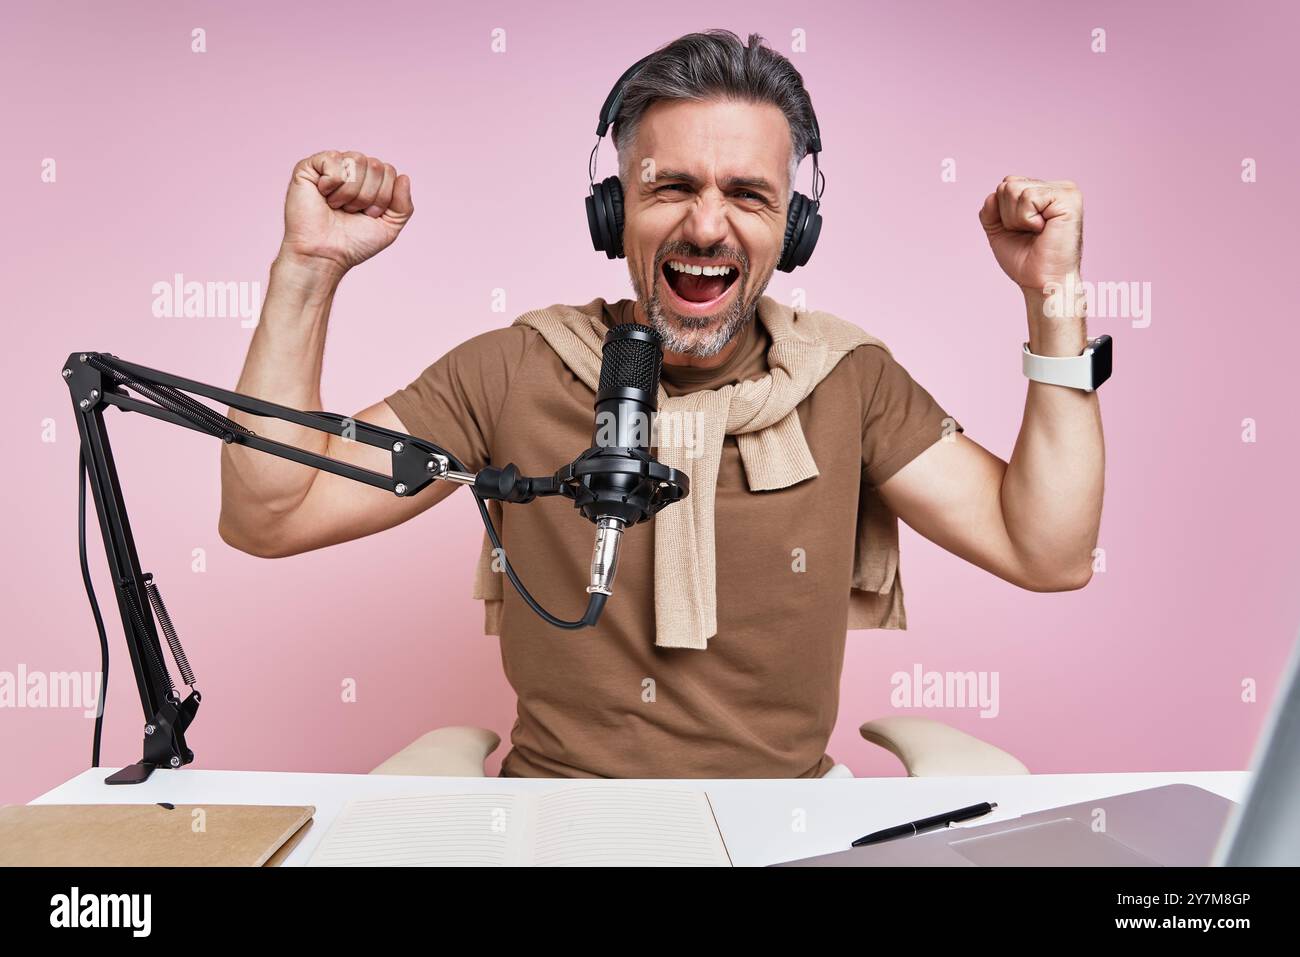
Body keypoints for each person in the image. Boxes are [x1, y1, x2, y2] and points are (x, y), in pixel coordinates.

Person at [219, 30, 1103, 778]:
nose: (709, 227)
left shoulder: (848, 380)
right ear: (616, 209)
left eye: (748, 195)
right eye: (672, 186)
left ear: (793, 229)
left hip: (783, 831)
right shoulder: (514, 369)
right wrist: (309, 268)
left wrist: (1050, 295)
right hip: (556, 828)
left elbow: (1049, 550)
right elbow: (271, 513)